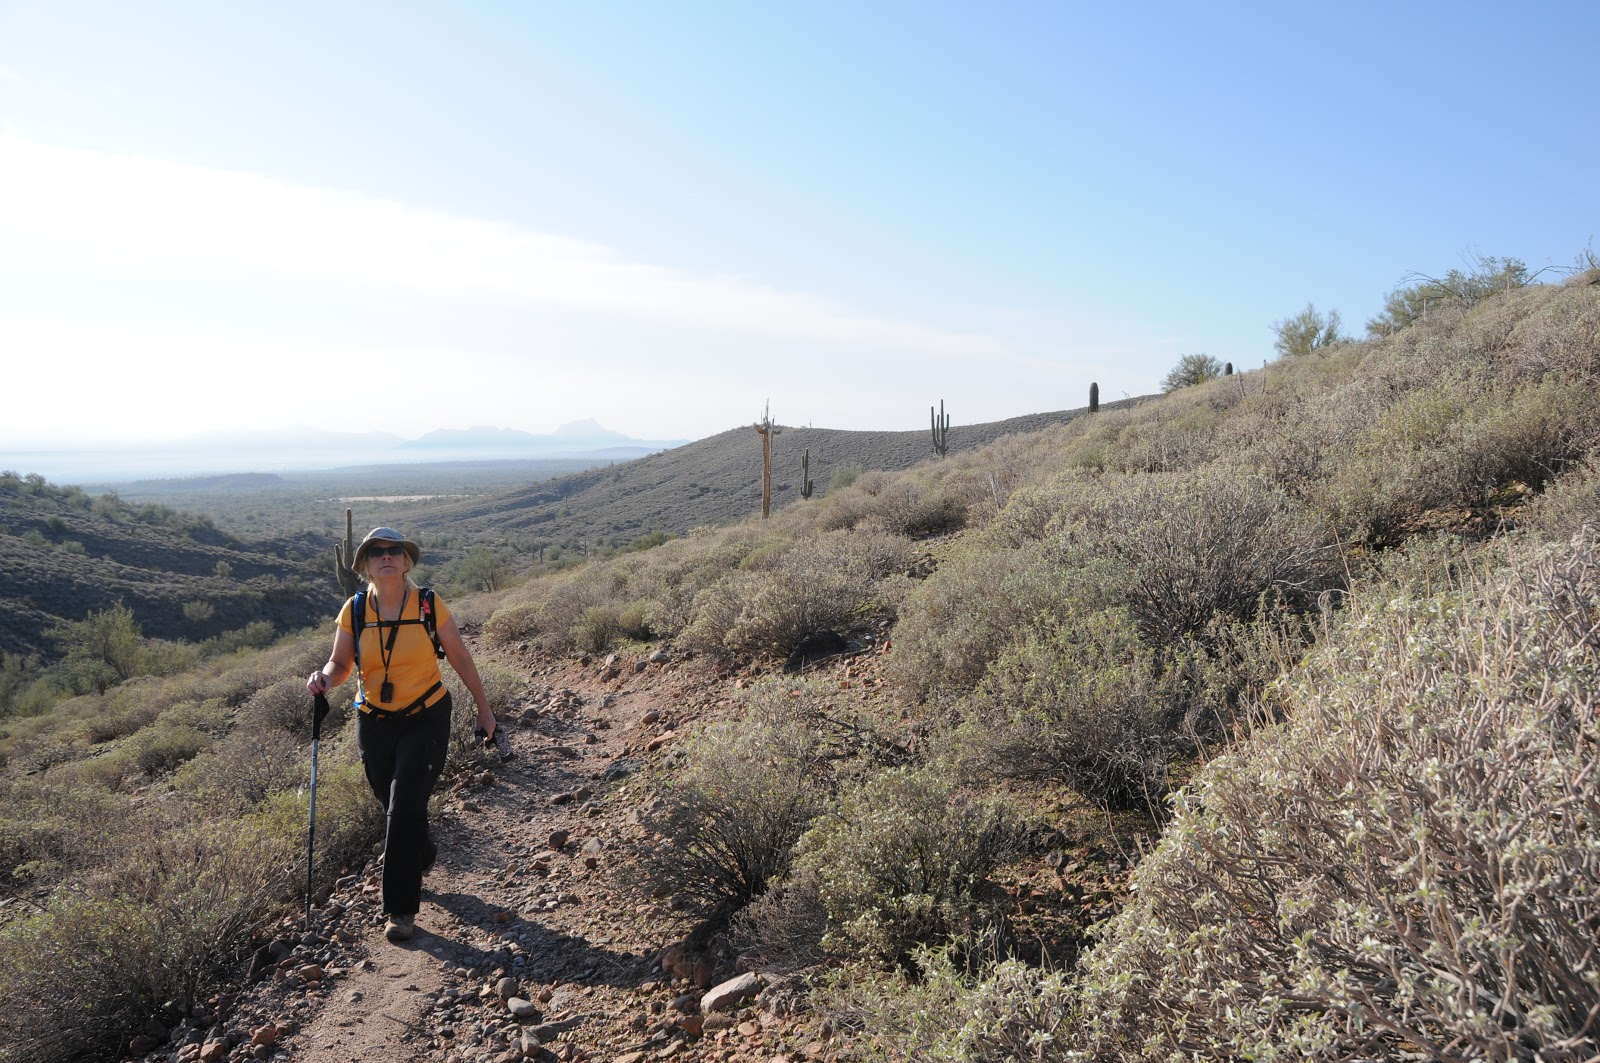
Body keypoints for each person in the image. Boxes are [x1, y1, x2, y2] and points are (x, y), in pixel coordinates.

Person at [306, 527, 499, 943]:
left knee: (403, 806)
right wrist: (324, 678)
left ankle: (400, 909)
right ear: (365, 566)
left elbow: (461, 657)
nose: (386, 556)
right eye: (376, 552)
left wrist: (485, 710)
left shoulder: (428, 604)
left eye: (394, 551)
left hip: (426, 716)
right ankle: (422, 853)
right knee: (392, 803)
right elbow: (341, 664)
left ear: (406, 562)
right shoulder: (354, 610)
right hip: (373, 721)